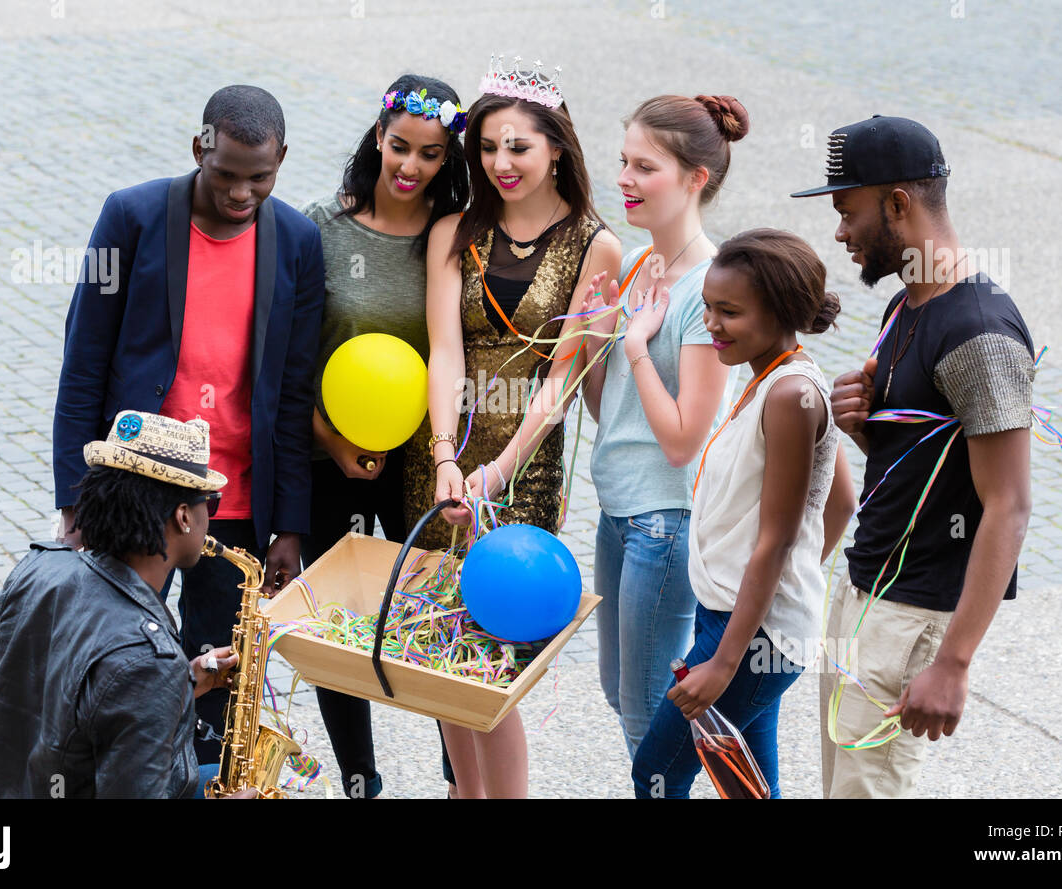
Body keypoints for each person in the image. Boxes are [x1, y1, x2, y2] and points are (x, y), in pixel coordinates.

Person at [51, 85, 325, 764]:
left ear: (282, 159)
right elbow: (83, 362)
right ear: (199, 146)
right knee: (104, 660)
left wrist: (289, 523)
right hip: (133, 491)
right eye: (225, 172)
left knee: (221, 678)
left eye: (259, 177)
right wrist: (74, 497)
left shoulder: (297, 240)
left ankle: (199, 780)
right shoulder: (131, 216)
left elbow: (293, 394)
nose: (240, 192)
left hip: (234, 504)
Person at [791, 115, 1035, 798]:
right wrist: (863, 426)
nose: (839, 231)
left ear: (898, 203)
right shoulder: (905, 304)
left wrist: (953, 661)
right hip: (863, 590)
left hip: (913, 613)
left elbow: (1009, 507)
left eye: (848, 211)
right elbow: (927, 465)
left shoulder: (979, 330)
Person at [411, 55, 622, 797]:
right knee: (439, 657)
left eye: (520, 148)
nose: (501, 163)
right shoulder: (453, 231)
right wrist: (443, 455)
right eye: (489, 148)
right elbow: (445, 349)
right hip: (442, 458)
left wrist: (498, 471)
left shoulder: (597, 247)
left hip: (522, 469)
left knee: (492, 661)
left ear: (557, 147)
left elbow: (561, 380)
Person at [632, 229, 856, 799]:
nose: (711, 323)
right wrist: (790, 580)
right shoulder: (778, 377)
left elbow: (777, 540)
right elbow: (840, 499)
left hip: (752, 637)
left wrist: (725, 663)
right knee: (750, 789)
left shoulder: (789, 395)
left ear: (780, 311)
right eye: (707, 306)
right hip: (747, 624)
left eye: (729, 311)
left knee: (656, 775)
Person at [300, 73, 469, 799]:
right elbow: (285, 357)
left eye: (430, 155)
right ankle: (360, 778)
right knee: (336, 619)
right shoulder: (318, 227)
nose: (410, 167)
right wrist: (331, 440)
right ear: (378, 137)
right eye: (400, 147)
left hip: (420, 463)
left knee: (434, 616)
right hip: (324, 456)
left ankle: (461, 769)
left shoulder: (453, 233)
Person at [577, 93, 745, 758]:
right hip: (617, 510)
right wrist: (599, 336)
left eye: (645, 167)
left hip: (665, 523)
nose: (623, 179)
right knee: (622, 695)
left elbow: (682, 441)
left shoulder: (715, 288)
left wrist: (639, 345)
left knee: (648, 708)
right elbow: (607, 410)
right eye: (623, 162)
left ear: (695, 179)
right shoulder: (640, 266)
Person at [0, 412, 251, 799]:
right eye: (211, 503)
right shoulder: (148, 660)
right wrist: (162, 680)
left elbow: (77, 707)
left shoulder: (38, 568)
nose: (210, 517)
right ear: (184, 516)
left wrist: (181, 683)